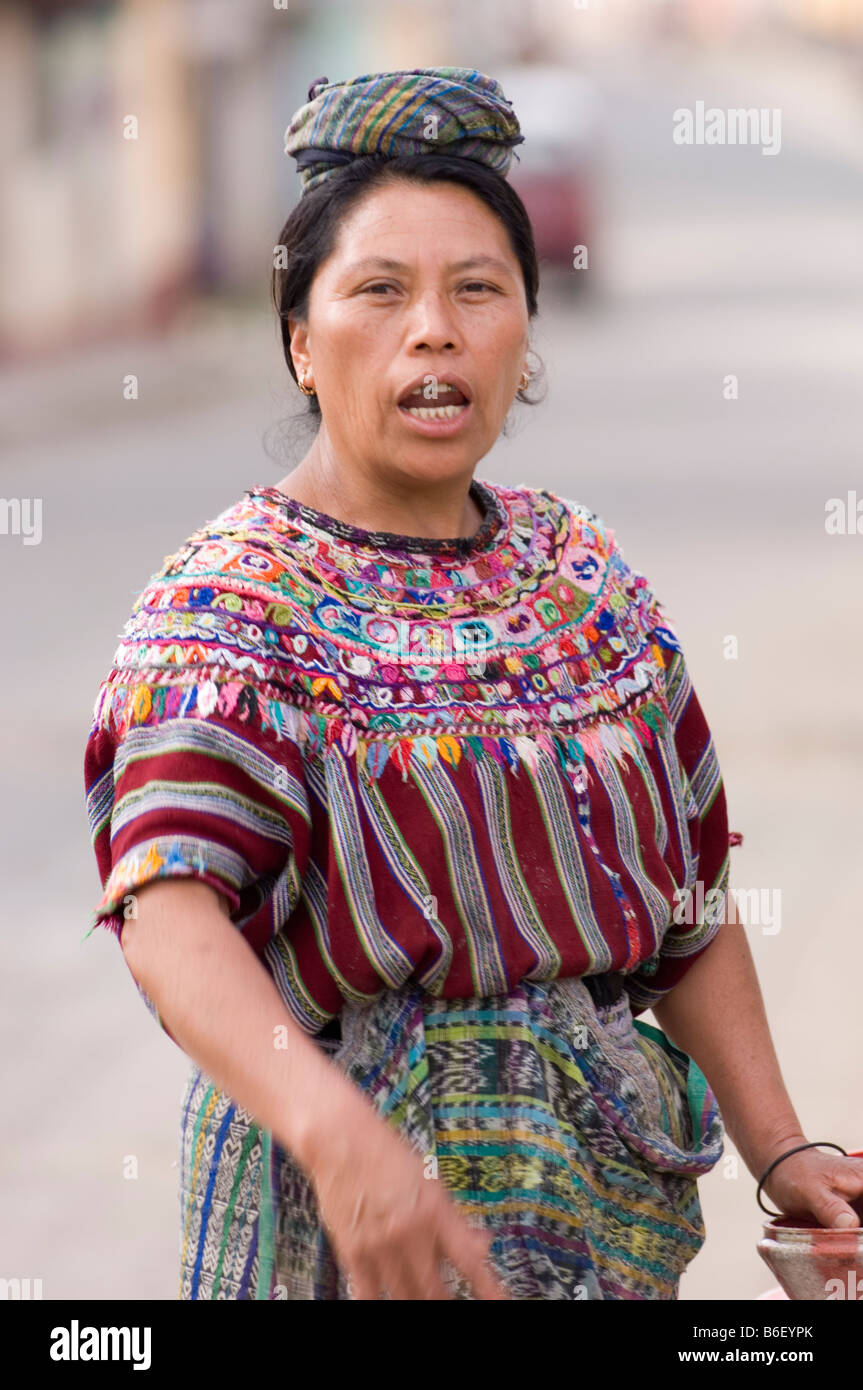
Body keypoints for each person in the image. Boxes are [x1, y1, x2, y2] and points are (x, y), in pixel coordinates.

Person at [82, 67, 863, 1301]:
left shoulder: (583, 578)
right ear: (300, 340)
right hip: (351, 1230)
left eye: (476, 290)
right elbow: (167, 911)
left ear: (523, 338)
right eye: (378, 292)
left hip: (596, 1219)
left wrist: (786, 1150)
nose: (432, 329)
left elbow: (687, 905)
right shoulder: (230, 600)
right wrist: (336, 1134)